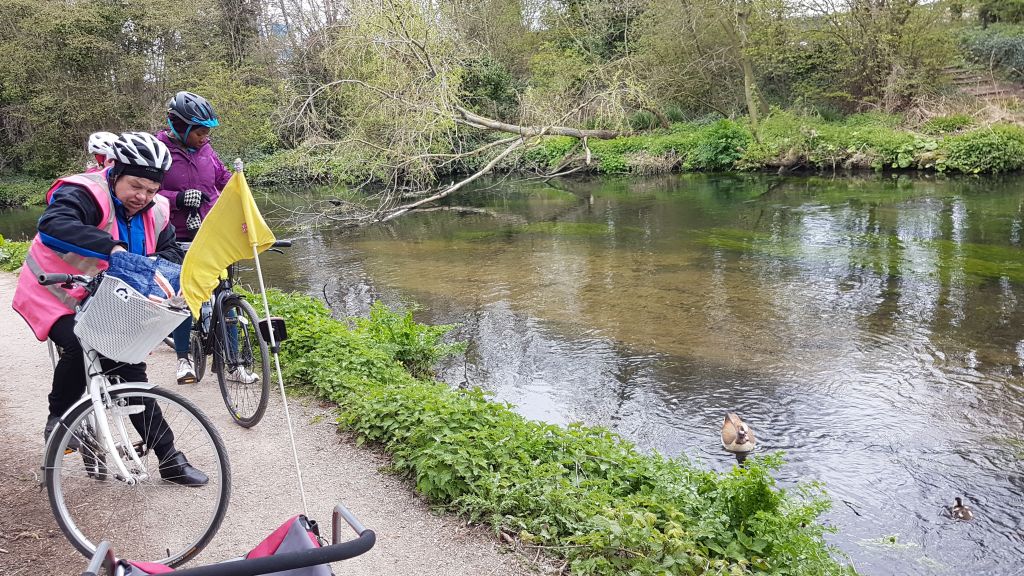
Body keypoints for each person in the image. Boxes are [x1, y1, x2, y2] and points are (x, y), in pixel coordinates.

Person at [11, 131, 208, 486]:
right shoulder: (86, 192)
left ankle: (170, 459)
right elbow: (53, 225)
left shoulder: (157, 210)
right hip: (56, 291)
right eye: (136, 186)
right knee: (80, 341)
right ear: (115, 172)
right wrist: (112, 248)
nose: (142, 197)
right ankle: (59, 420)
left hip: (109, 298)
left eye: (151, 189)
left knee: (131, 370)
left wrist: (160, 271)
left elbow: (168, 253)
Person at [155, 91, 239, 385]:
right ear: (181, 127)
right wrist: (177, 199)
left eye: (207, 132)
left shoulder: (206, 150)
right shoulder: (159, 151)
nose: (206, 137)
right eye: (200, 132)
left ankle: (234, 362)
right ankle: (183, 359)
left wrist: (238, 188)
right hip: (177, 236)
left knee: (225, 295)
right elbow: (147, 192)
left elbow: (222, 178)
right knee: (183, 298)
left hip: (210, 232)